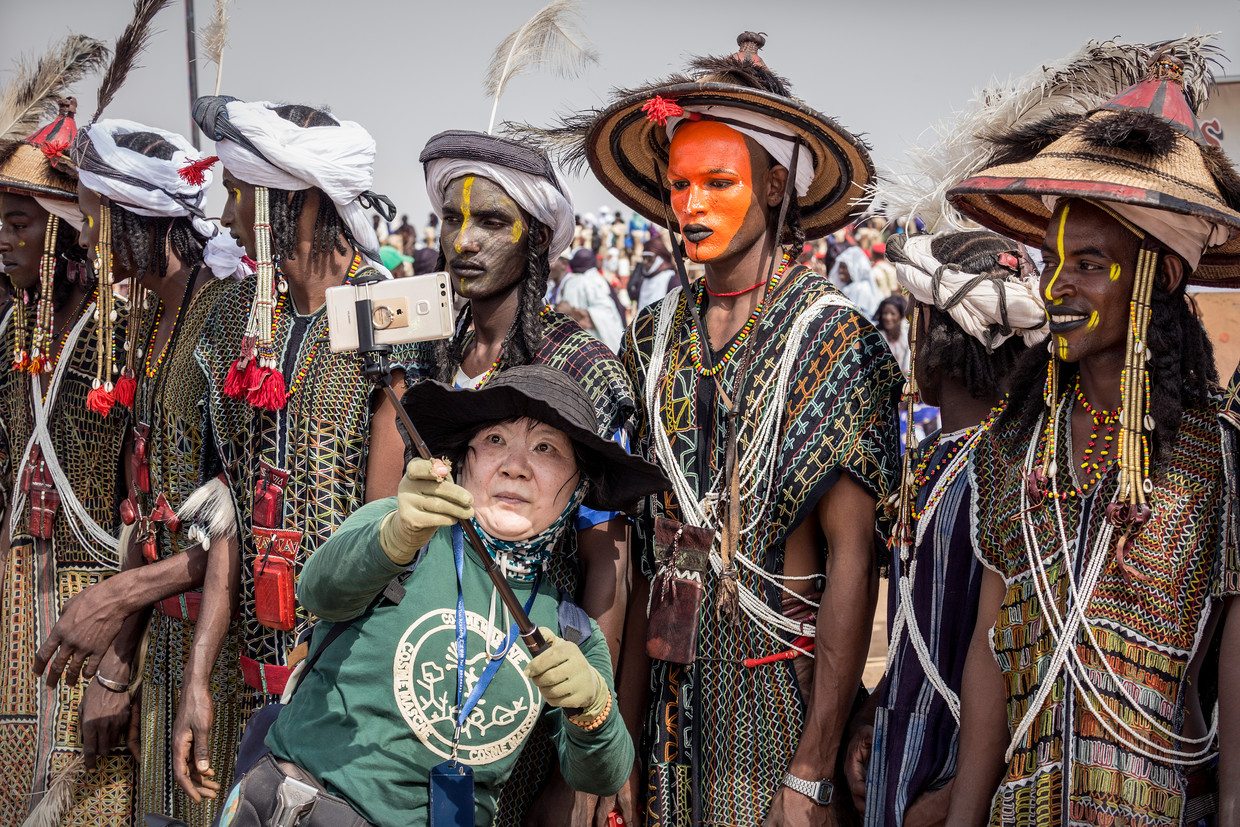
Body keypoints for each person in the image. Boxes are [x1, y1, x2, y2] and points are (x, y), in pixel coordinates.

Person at [541, 31, 902, 825]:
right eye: (679, 184)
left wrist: (810, 771)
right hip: (668, 717)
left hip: (776, 710)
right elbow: (644, 545)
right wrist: (624, 740)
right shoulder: (653, 334)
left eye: (717, 181)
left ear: (775, 187)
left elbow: (853, 559)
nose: (690, 204)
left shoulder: (838, 341)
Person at [944, 50, 1240, 826]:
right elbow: (987, 648)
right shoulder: (1014, 448)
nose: (1056, 287)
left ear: (1161, 277)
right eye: (1051, 262)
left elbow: (1235, 663)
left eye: (1089, 264)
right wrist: (968, 812)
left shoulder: (1218, 459)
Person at [215, 365, 669, 827]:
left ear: (578, 487)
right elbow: (318, 591)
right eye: (495, 441)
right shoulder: (405, 528)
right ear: (464, 460)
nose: (515, 465)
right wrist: (393, 538)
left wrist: (594, 707)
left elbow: (599, 771)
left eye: (546, 448)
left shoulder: (572, 629)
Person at [168, 95, 410, 803]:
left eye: (242, 193)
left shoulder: (386, 314)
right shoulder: (230, 317)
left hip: (341, 694)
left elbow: (385, 534)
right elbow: (225, 516)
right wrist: (198, 678)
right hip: (245, 674)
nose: (231, 212)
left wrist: (328, 678)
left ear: (294, 206)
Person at [408, 129, 638, 825]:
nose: (465, 241)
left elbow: (609, 563)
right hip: (416, 676)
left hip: (525, 697)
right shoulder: (430, 353)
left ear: (536, 236)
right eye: (452, 219)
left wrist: (583, 763)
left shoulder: (584, 368)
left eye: (490, 221)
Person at [28, 117, 245, 826]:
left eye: (92, 218)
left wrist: (116, 596)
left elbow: (233, 526)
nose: (84, 238)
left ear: (134, 217)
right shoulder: (151, 318)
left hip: (224, 667)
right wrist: (122, 652)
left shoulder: (228, 317)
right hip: (163, 650)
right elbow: (148, 509)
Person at [842, 231, 1045, 827]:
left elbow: (1013, 666)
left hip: (956, 783)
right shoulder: (931, 464)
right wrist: (871, 717)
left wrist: (959, 800)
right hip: (901, 760)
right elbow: (917, 637)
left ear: (931, 330)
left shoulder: (1013, 474)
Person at [0, 89, 134, 821]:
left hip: (97, 606)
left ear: (60, 234)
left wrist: (124, 649)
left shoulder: (125, 335)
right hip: (20, 607)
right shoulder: (9, 340)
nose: (3, 236)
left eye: (19, 222)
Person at [554, 247, 626, 353]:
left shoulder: (579, 282)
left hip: (595, 347)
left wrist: (572, 311)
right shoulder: (594, 279)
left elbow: (605, 313)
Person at [831, 245, 882, 318]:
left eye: (844, 267)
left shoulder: (861, 289)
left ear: (854, 269)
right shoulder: (848, 287)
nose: (840, 271)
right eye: (840, 267)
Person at [873, 295, 909, 375]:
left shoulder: (906, 336)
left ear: (900, 316)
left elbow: (907, 365)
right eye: (885, 313)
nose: (888, 318)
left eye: (893, 314)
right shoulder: (876, 337)